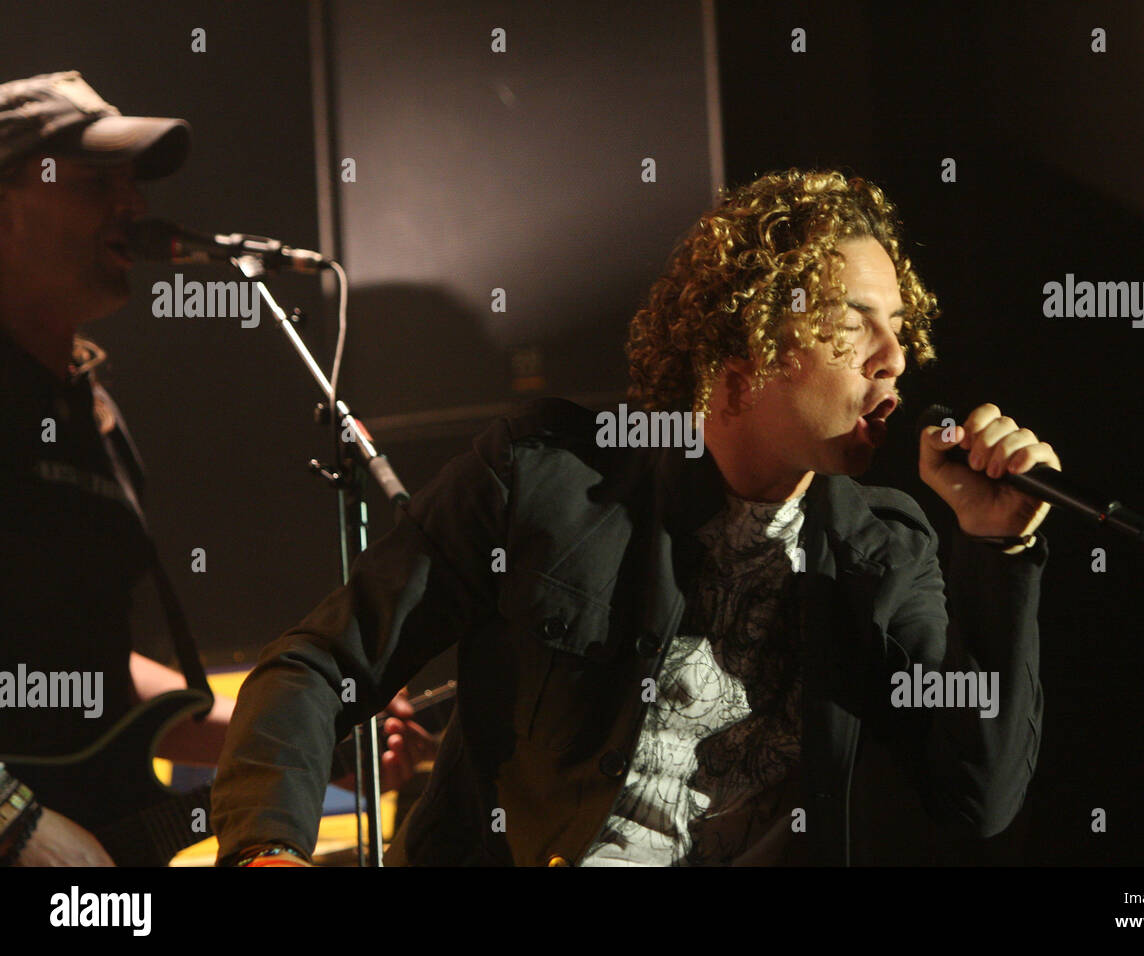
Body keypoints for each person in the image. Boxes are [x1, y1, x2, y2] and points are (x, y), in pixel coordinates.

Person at [211, 168, 1060, 867]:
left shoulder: (883, 546)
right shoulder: (547, 480)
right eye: (853, 322)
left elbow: (977, 799)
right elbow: (317, 665)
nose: (895, 358)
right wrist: (265, 852)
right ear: (747, 337)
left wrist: (999, 543)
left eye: (900, 327)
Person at [0, 71, 431, 867]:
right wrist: (17, 824)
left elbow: (91, 674)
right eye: (97, 182)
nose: (131, 205)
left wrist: (300, 727)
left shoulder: (90, 411)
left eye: (132, 183)